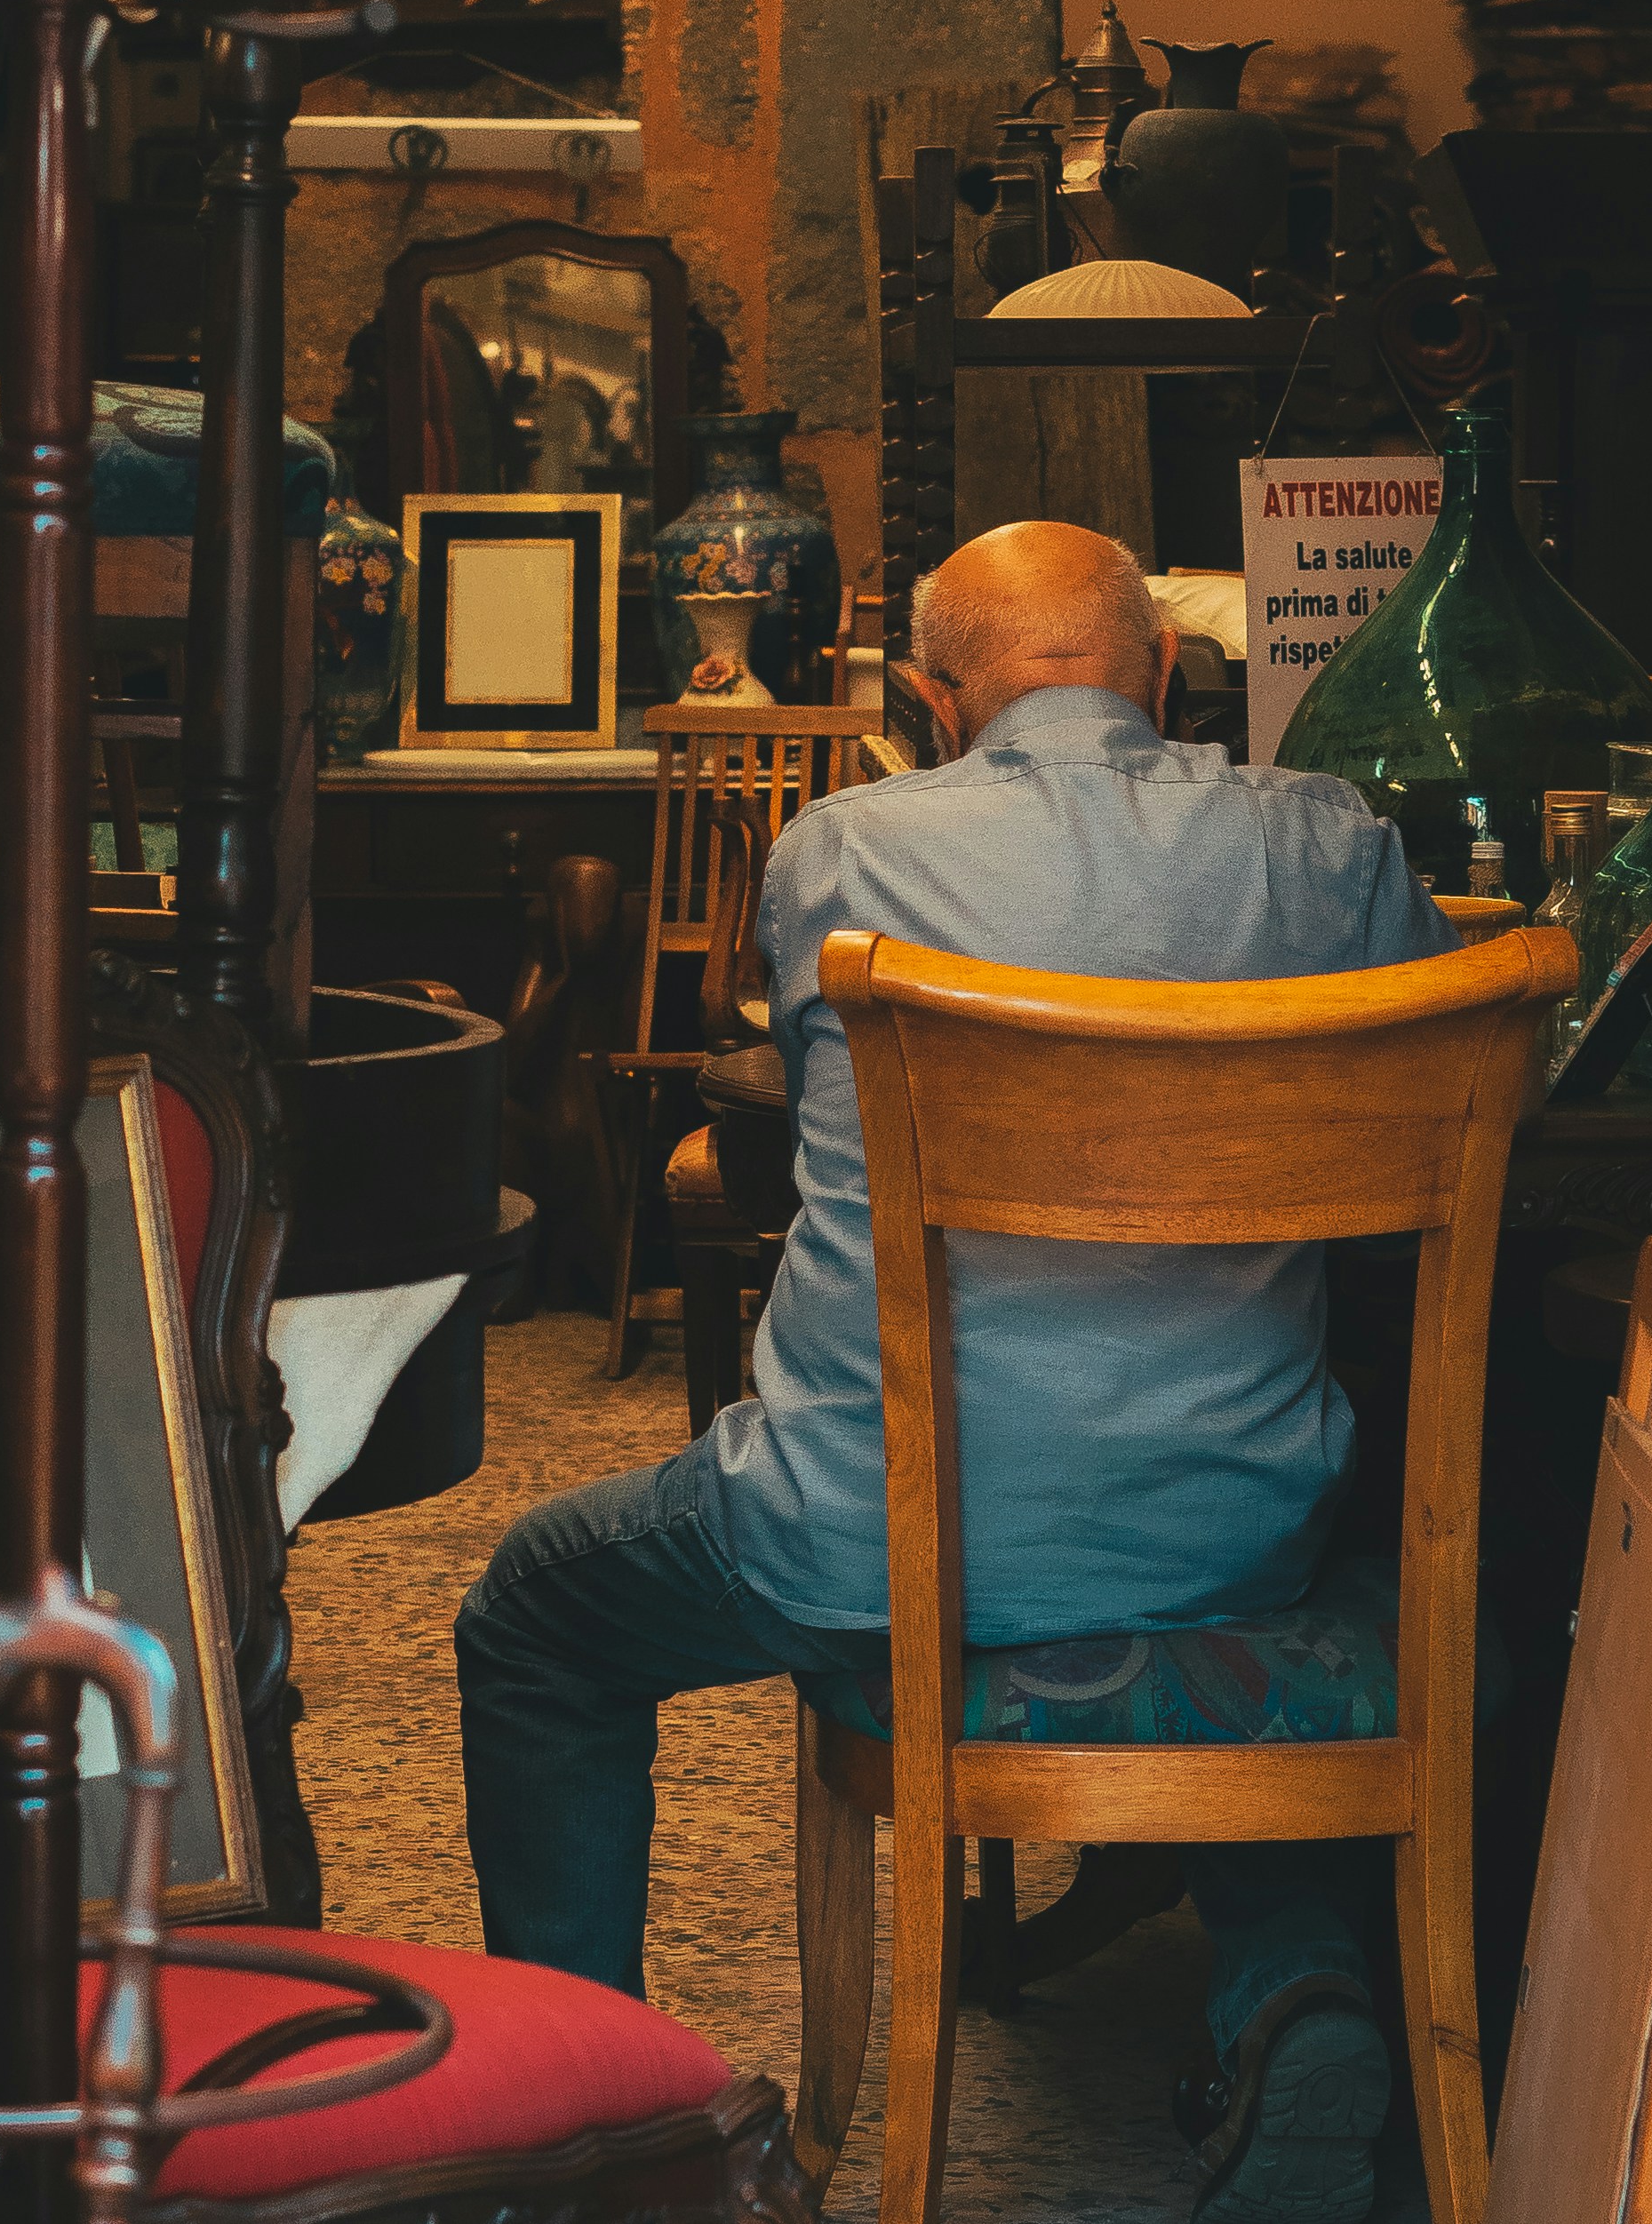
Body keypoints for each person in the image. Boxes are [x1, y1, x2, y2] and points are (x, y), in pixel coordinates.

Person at [453, 521, 1455, 2222]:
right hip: (1233, 1539)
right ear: (1163, 670)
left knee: (533, 1624)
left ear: (927, 699)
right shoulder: (1334, 844)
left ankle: (595, 2139)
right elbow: (1437, 1055)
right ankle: (1294, 1987)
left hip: (870, 1551)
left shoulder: (838, 856)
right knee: (1313, 1587)